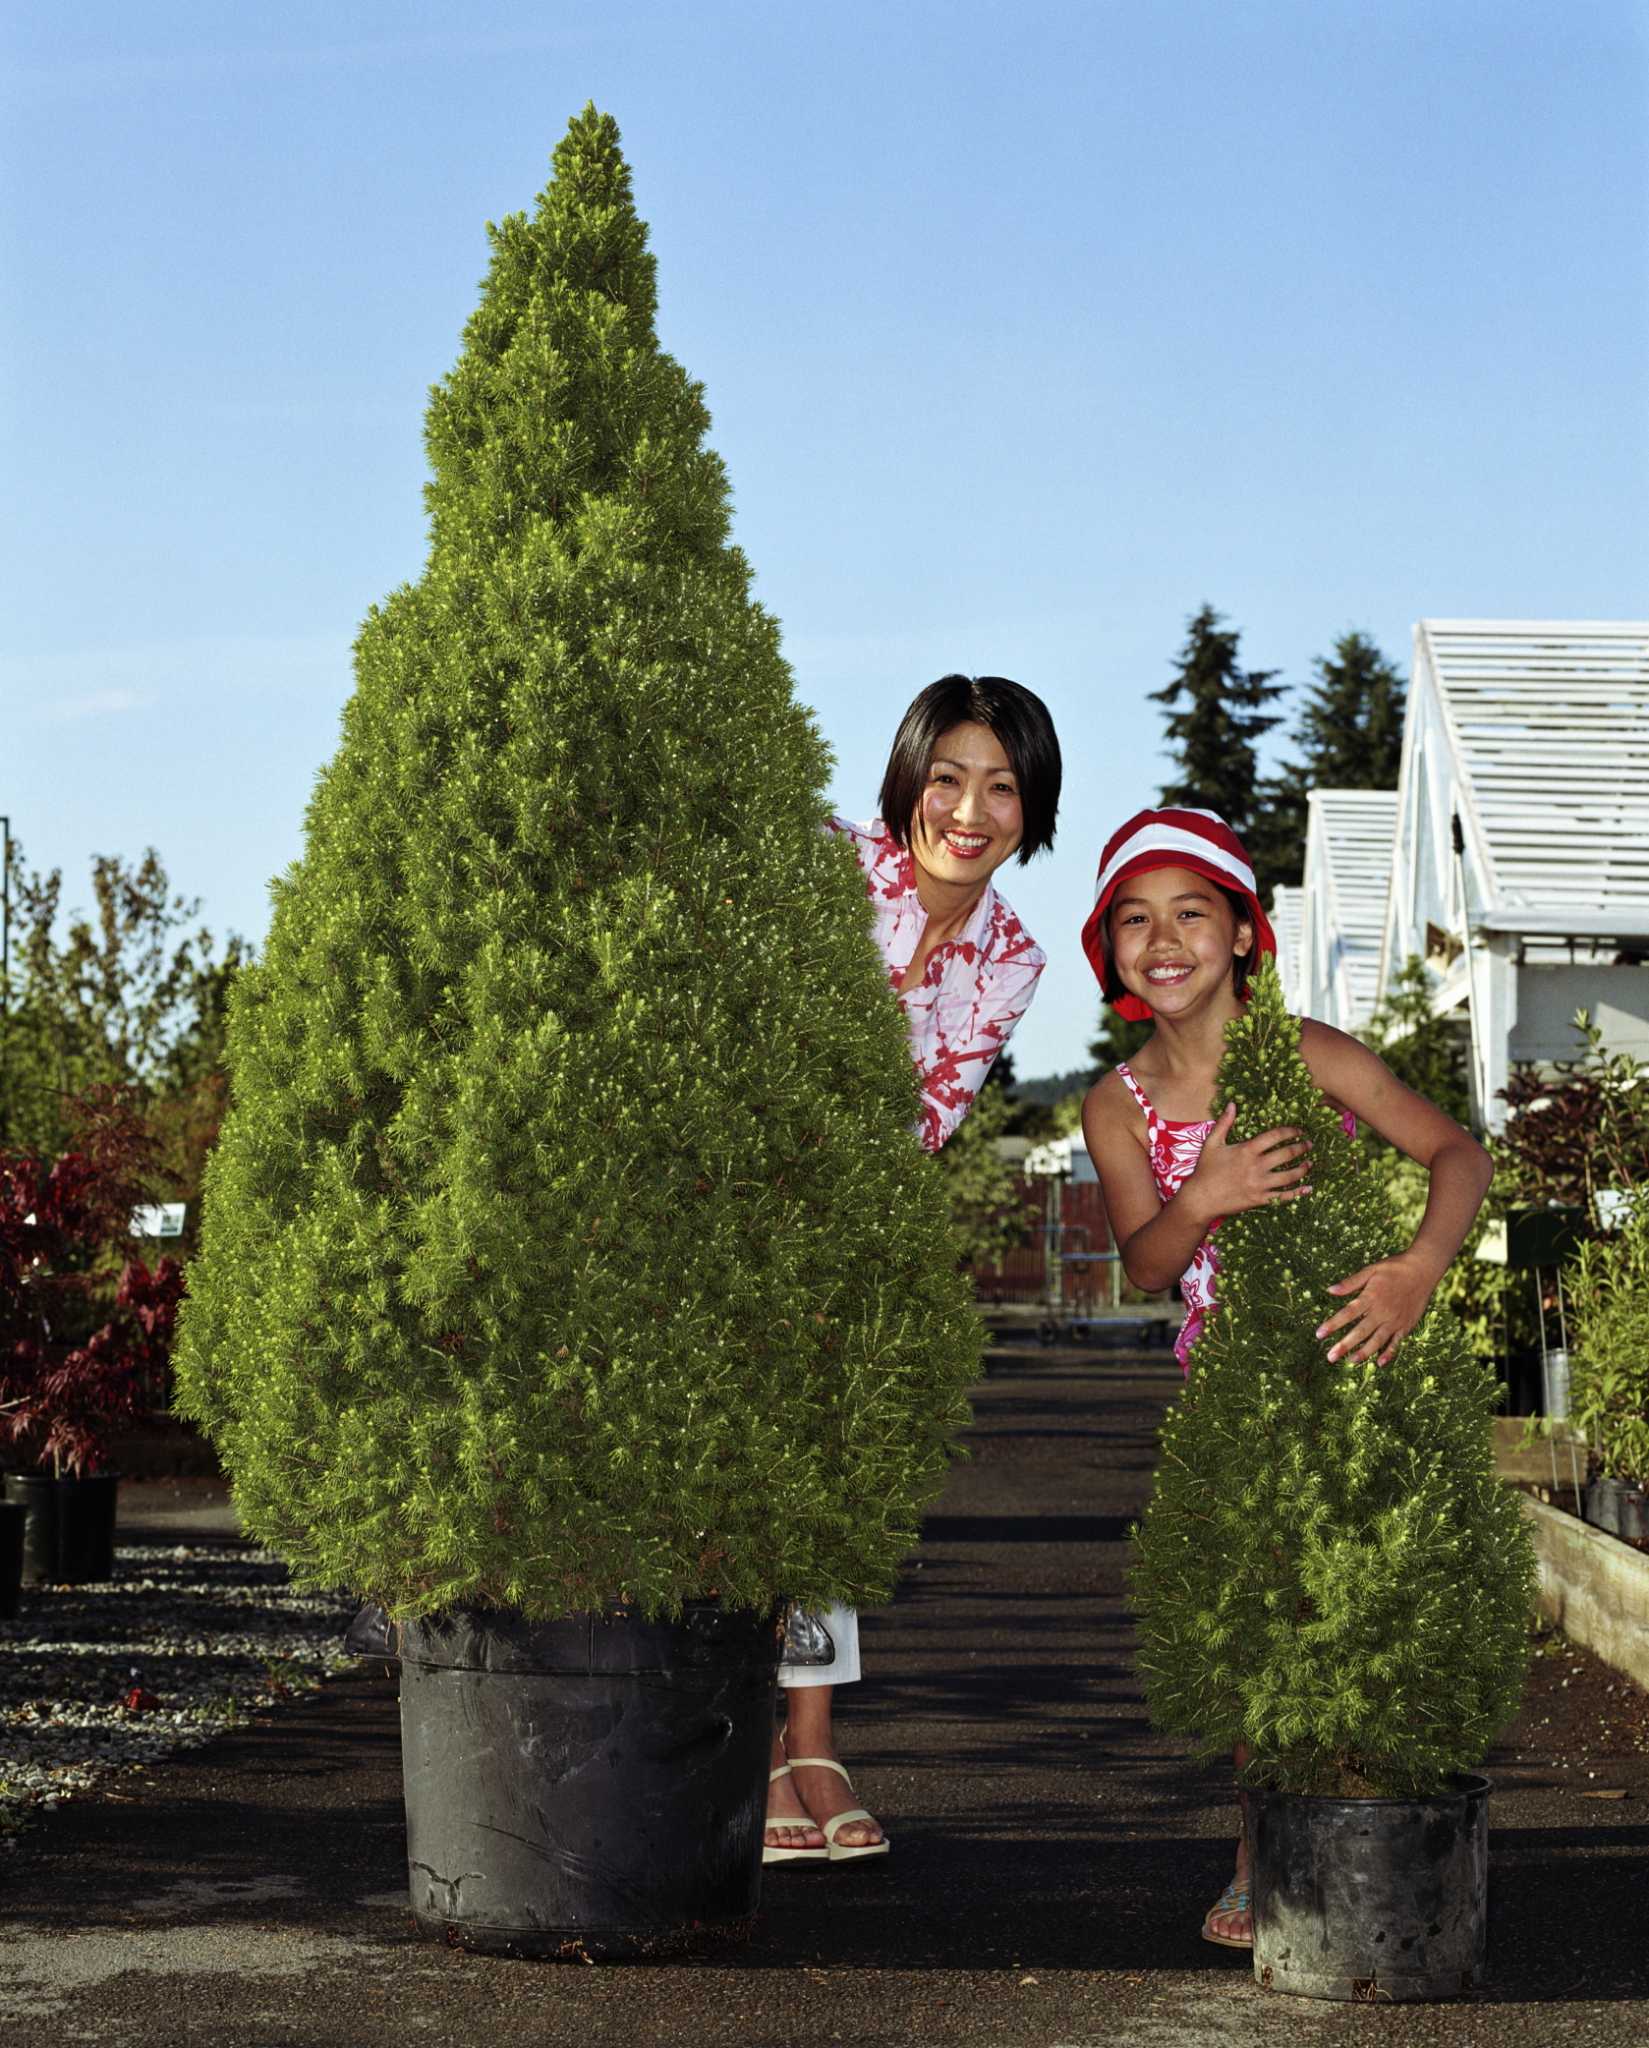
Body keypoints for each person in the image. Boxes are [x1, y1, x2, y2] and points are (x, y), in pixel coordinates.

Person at [1077, 806, 1492, 1947]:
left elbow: (1457, 1154)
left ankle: (1378, 1829)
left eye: (1189, 913)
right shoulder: (1113, 1104)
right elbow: (1147, 1264)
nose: (1163, 940)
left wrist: (1416, 1269)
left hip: (1355, 1365)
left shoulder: (1310, 1054)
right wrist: (1201, 1195)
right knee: (1258, 1618)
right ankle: (1261, 1848)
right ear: (1108, 948)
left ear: (1241, 932)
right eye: (1133, 920)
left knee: (1366, 1601)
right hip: (1234, 1391)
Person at [762, 673, 1063, 1867]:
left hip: (839, 1228)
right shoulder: (816, 861)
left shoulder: (1011, 957)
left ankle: (809, 1740)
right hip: (715, 1201)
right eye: (946, 779)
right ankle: (738, 1743)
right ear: (906, 780)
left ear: (1032, 809)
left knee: (826, 1462)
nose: (969, 811)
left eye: (1002, 787)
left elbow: (920, 1123)